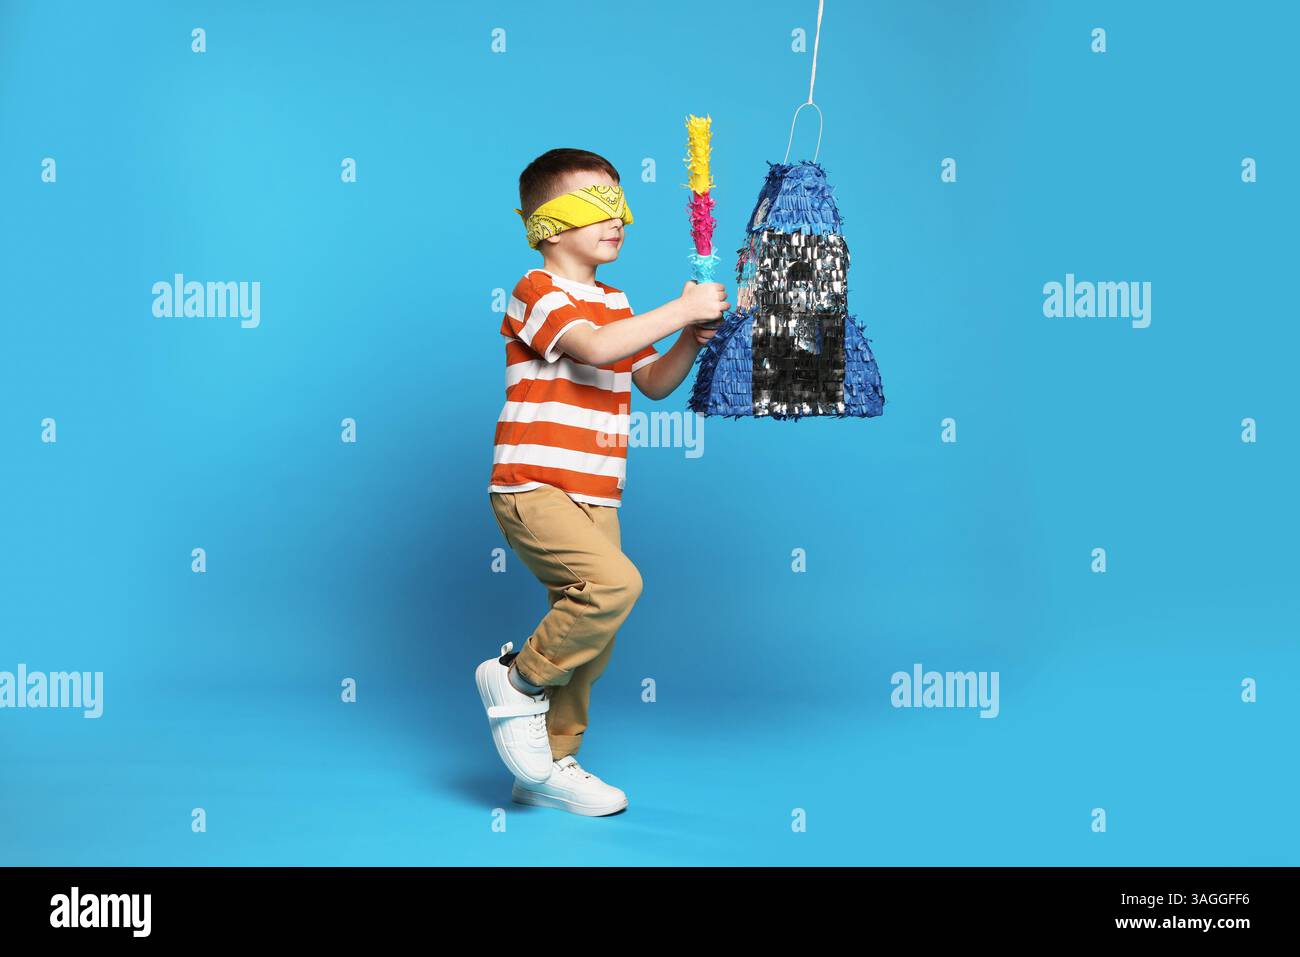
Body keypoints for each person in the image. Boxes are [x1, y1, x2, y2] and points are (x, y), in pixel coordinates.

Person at [475, 147, 729, 816]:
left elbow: (650, 381)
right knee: (616, 585)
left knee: (597, 633)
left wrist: (690, 339)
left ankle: (551, 766)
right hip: (534, 484)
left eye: (619, 202)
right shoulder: (537, 291)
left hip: (599, 491)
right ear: (548, 225)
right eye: (596, 202)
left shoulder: (617, 302)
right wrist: (679, 310)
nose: (616, 216)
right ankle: (515, 678)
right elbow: (591, 348)